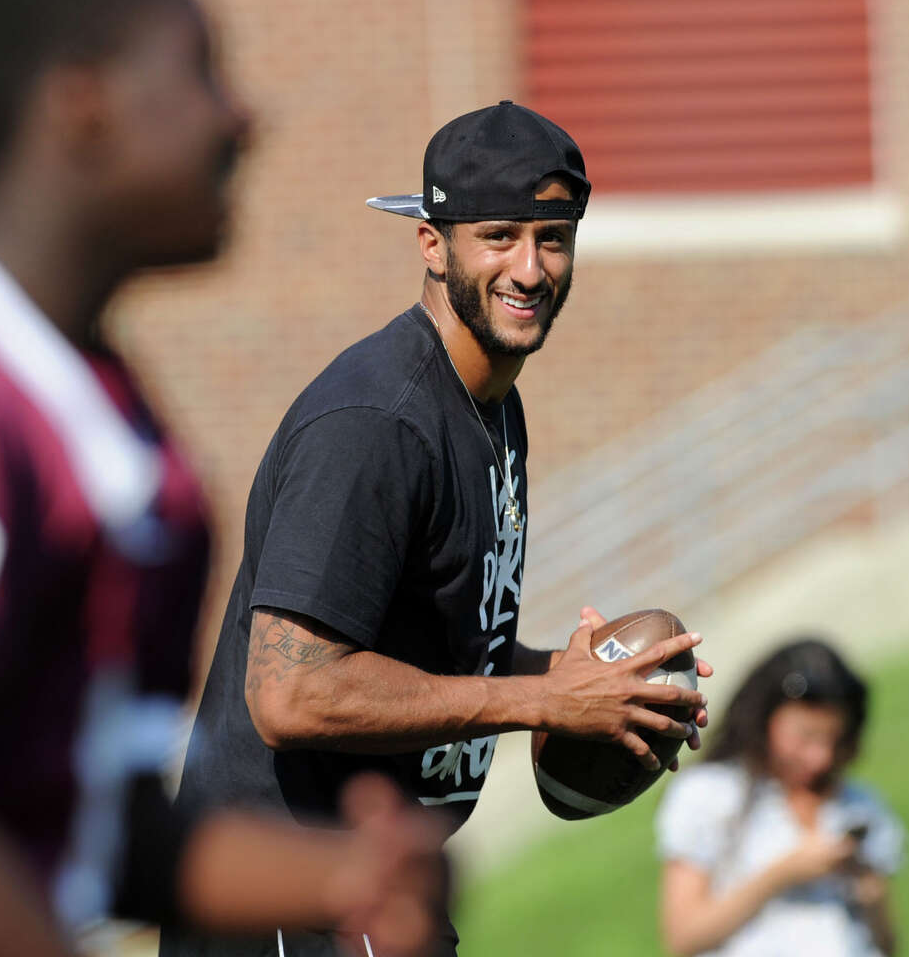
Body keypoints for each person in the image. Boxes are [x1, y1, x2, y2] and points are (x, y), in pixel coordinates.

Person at [0, 0, 446, 955]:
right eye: (201, 72)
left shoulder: (127, 443)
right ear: (83, 104)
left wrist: (346, 875)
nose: (243, 117)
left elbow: (105, 834)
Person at [164, 100, 712, 957]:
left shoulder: (495, 409)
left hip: (383, 892)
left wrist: (589, 686)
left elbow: (436, 657)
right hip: (286, 904)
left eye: (553, 237)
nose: (530, 268)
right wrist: (539, 700)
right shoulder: (376, 422)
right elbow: (291, 692)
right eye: (498, 235)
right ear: (432, 243)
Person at [655, 639, 904, 957]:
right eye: (805, 736)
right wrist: (780, 876)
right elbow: (684, 939)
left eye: (835, 739)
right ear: (765, 720)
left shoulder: (860, 804)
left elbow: (888, 944)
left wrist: (870, 891)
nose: (821, 757)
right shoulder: (709, 794)